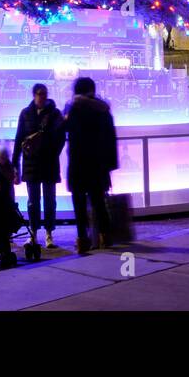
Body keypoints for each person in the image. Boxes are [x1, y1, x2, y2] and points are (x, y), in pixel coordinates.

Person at [62, 76, 118, 255]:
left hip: (78, 163)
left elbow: (62, 129)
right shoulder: (103, 110)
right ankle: (105, 237)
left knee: (79, 204)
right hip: (97, 164)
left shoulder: (73, 109)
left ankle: (82, 241)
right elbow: (110, 139)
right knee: (98, 201)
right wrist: (110, 165)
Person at [13, 83, 65, 248]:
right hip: (32, 163)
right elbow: (19, 138)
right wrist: (15, 164)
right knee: (33, 201)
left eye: (44, 94)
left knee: (49, 200)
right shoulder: (26, 113)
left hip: (47, 162)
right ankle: (34, 233)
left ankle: (49, 233)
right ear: (34, 95)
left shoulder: (54, 114)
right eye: (39, 94)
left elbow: (61, 138)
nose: (42, 97)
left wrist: (53, 152)